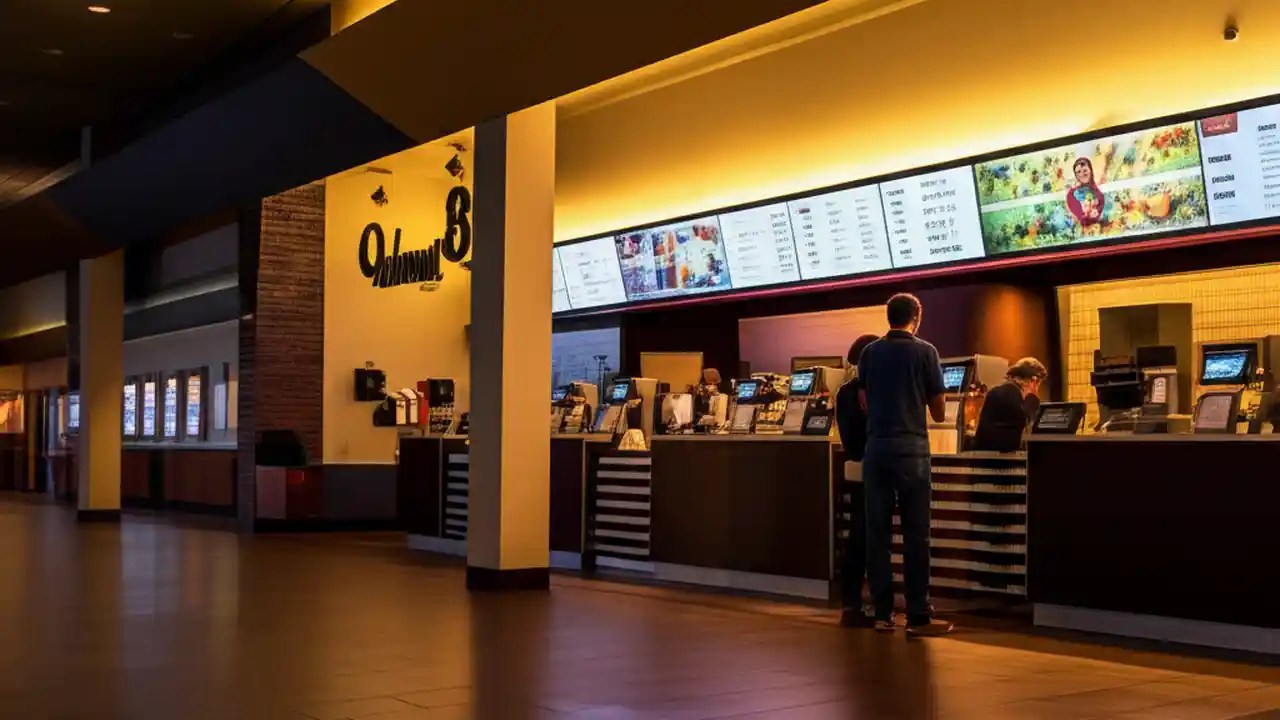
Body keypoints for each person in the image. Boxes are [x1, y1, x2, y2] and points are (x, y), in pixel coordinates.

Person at [857, 293, 951, 636]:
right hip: (912, 452)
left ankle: (883, 613)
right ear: (917, 316)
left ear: (888, 317)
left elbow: (864, 400)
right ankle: (917, 615)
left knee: (877, 535)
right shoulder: (926, 352)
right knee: (916, 536)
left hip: (877, 450)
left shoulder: (869, 353)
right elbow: (939, 411)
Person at [834, 334, 879, 628]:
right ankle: (873, 602)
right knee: (870, 537)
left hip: (855, 467)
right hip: (876, 467)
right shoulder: (875, 390)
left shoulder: (843, 391)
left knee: (857, 535)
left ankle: (851, 602)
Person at [975, 357, 1048, 453]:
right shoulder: (1012, 395)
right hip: (1000, 463)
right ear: (1033, 381)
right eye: (1038, 385)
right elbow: (1025, 424)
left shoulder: (998, 391)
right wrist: (1033, 399)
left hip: (983, 458)